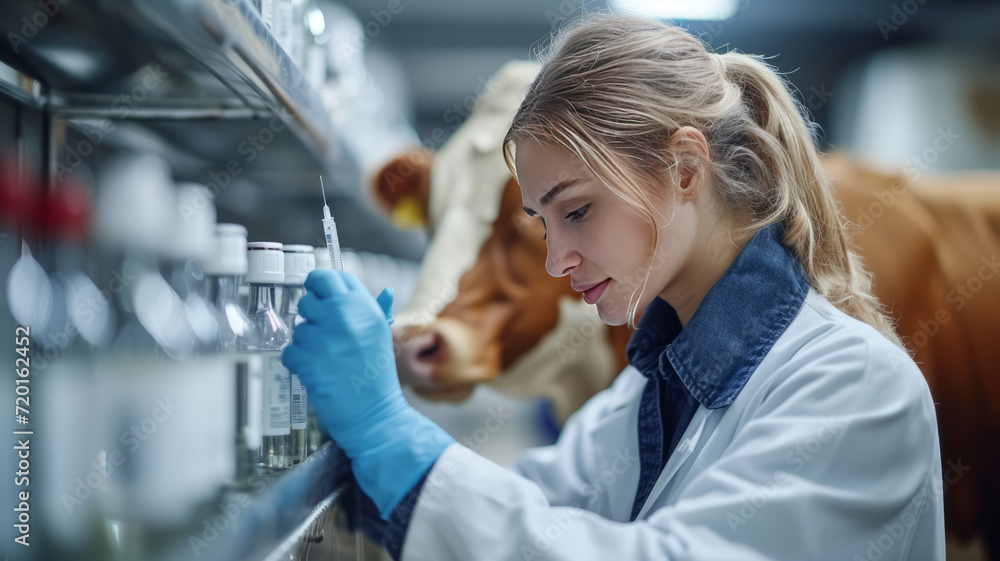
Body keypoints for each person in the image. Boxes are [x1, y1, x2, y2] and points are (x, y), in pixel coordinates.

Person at [282, 13, 945, 560]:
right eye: (543, 225)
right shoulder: (647, 390)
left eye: (577, 211)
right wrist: (363, 445)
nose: (556, 262)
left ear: (686, 168)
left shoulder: (856, 388)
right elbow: (529, 508)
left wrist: (388, 431)